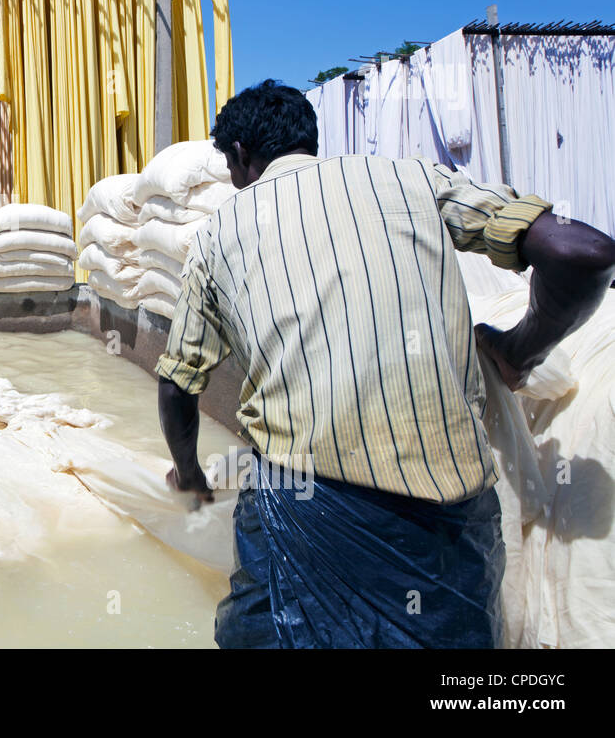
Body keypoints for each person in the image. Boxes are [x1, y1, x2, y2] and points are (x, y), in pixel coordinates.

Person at [156, 79, 615, 648]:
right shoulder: (411, 178)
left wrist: (192, 476)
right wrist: (519, 349)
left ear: (242, 157)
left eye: (229, 168)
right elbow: (583, 253)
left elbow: (178, 384)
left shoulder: (219, 232)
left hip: (305, 511)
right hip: (450, 513)